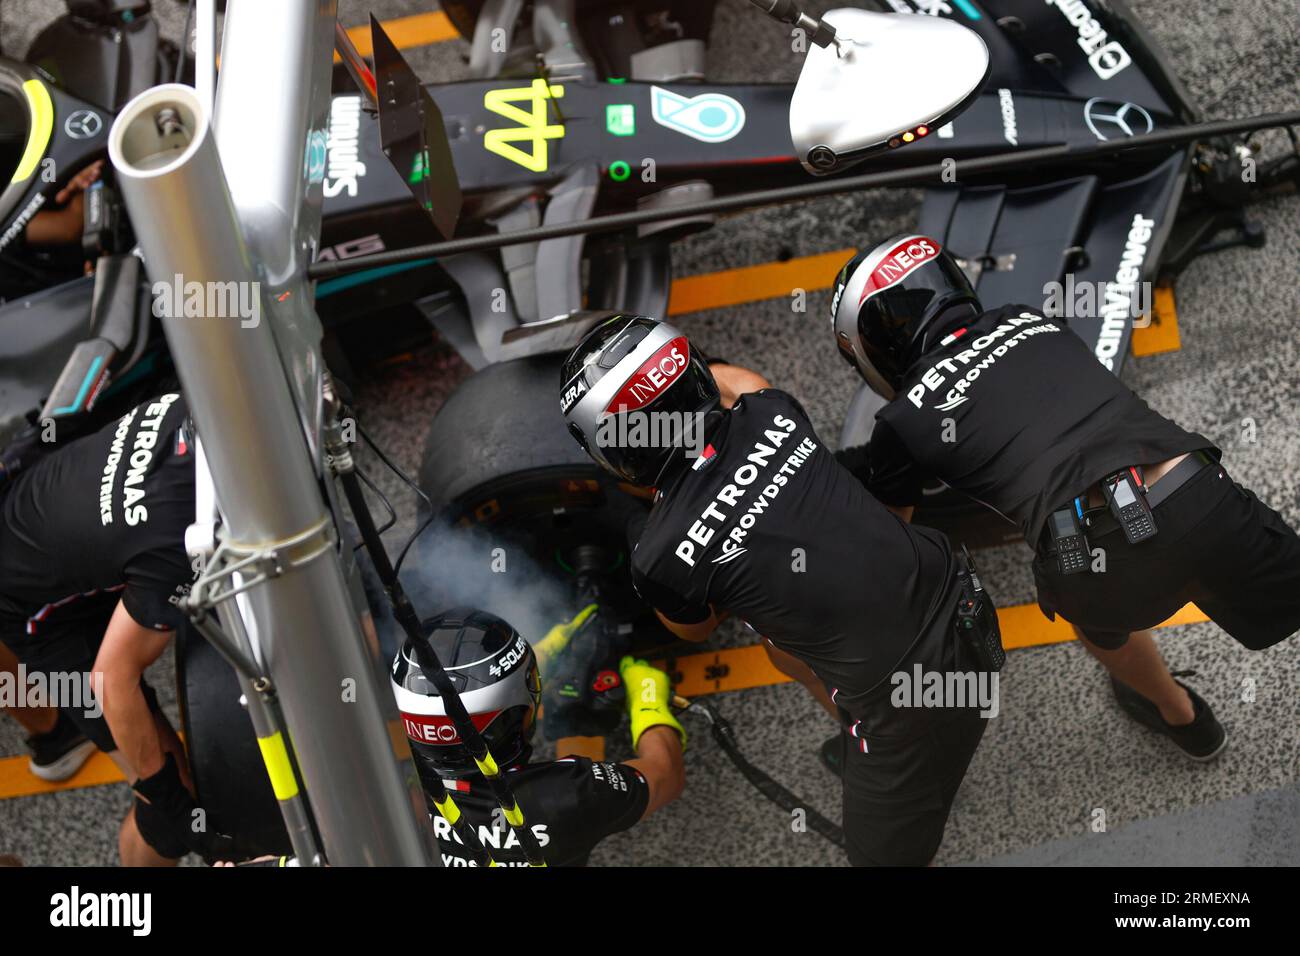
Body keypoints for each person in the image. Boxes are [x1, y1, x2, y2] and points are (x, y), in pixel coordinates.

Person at [829, 234, 1300, 759]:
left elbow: (892, 531)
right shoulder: (1029, 318)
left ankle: (1185, 717)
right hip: (1197, 490)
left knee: (1097, 628)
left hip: (1096, 556)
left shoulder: (899, 422)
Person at [559, 314, 1001, 866]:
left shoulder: (660, 555)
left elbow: (694, 627)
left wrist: (654, 527)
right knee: (779, 645)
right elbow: (735, 382)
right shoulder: (772, 409)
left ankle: (906, 769)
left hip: (906, 711)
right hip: (967, 604)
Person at [0, 391, 221, 864]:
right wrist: (173, 803)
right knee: (168, 808)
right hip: (42, 623)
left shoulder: (188, 400)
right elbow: (109, 680)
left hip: (57, 529)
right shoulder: (178, 542)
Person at [392, 606, 685, 867]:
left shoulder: (396, 797)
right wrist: (648, 699)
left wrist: (534, 660)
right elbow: (665, 773)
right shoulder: (572, 792)